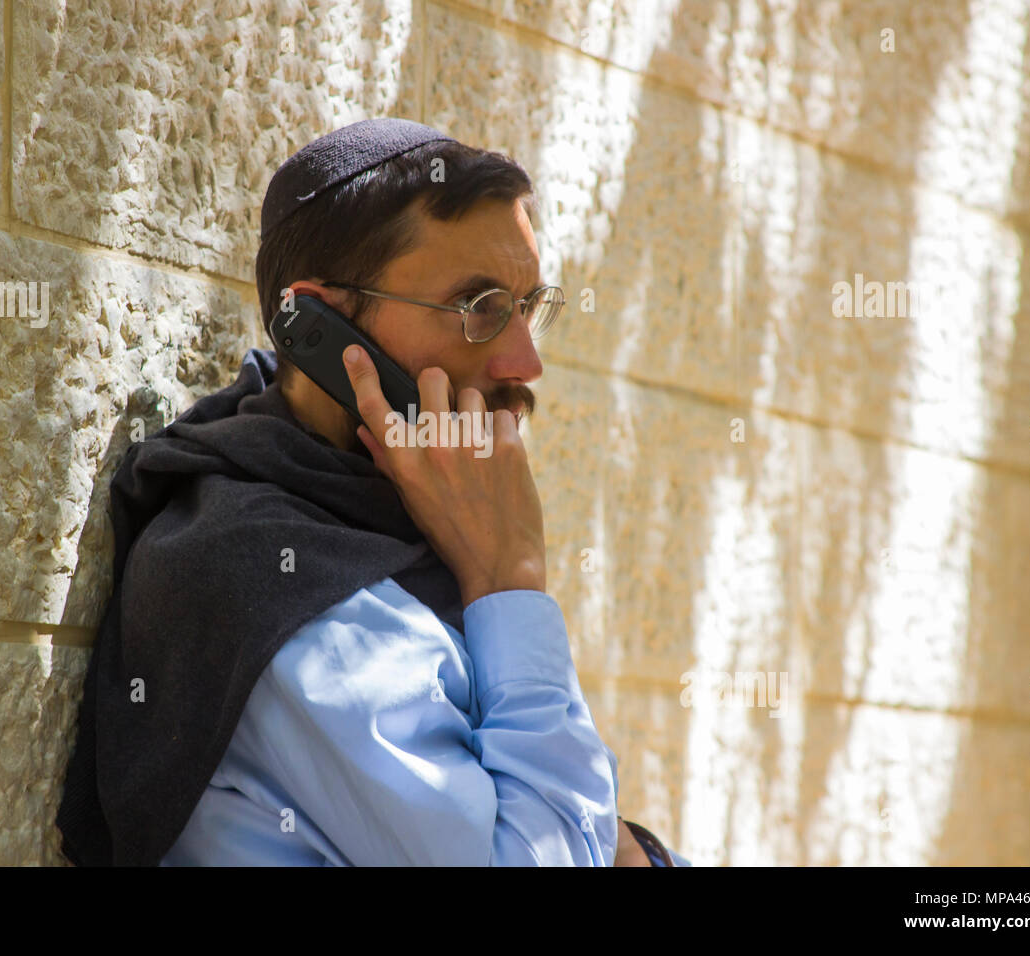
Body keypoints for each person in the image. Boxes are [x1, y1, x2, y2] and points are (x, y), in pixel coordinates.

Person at [56, 117, 690, 867]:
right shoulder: (272, 575)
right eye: (480, 308)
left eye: (528, 308)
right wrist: (508, 581)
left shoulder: (395, 529)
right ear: (316, 324)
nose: (525, 361)